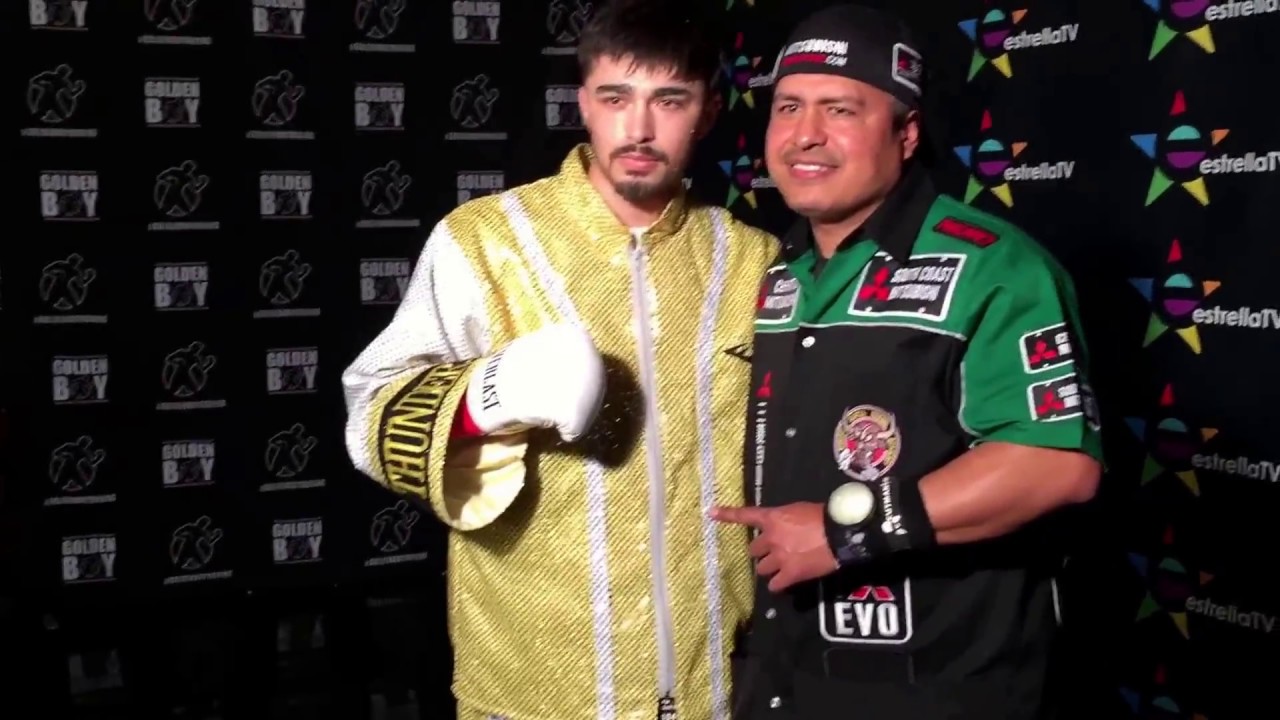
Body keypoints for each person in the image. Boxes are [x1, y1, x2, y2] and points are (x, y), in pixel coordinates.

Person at [340, 1, 778, 718]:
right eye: (616, 98)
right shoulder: (483, 240)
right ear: (583, 103)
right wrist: (480, 401)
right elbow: (371, 408)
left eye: (669, 101)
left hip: (711, 683)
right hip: (533, 683)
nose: (638, 129)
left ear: (706, 112)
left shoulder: (752, 259)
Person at [710, 5, 1104, 719]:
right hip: (784, 680)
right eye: (789, 107)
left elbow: (1056, 464)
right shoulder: (775, 272)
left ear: (907, 132)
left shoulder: (994, 268)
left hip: (943, 690)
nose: (805, 135)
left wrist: (842, 531)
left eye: (841, 110)